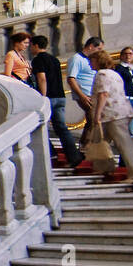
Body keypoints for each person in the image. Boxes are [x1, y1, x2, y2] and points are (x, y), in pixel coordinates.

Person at [86, 49, 133, 182]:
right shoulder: (114, 74)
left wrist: (97, 114)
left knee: (124, 144)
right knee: (100, 141)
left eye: (91, 61)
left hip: (111, 114)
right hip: (119, 112)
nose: (90, 64)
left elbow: (103, 94)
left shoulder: (101, 74)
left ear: (97, 61)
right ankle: (104, 169)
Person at [30, 35, 85, 169]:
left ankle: (51, 153)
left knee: (40, 126)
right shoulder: (54, 59)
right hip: (60, 96)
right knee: (61, 128)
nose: (30, 48)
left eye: (31, 45)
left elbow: (42, 79)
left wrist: (43, 97)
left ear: (36, 45)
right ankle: (73, 156)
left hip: (49, 97)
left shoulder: (37, 60)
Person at [66, 36, 104, 131]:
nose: (99, 52)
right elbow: (71, 79)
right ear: (91, 46)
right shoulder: (76, 59)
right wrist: (82, 96)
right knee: (93, 121)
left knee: (92, 122)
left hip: (93, 93)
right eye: (98, 49)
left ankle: (86, 144)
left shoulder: (92, 60)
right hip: (86, 94)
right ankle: (87, 144)